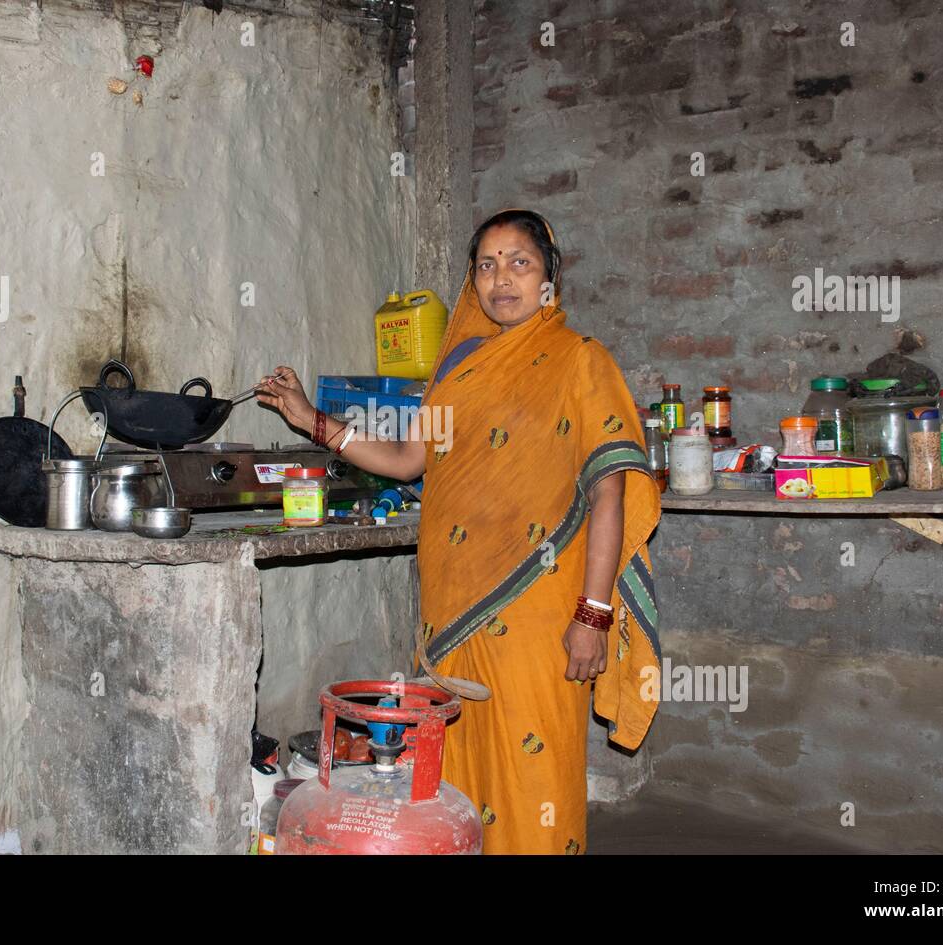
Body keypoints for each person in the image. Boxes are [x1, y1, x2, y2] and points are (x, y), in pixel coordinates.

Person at [255, 208, 662, 854]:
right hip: (448, 618)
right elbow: (404, 460)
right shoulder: (457, 372)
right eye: (487, 265)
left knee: (534, 783)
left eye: (520, 262)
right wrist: (314, 420)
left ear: (550, 277)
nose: (502, 279)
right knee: (450, 787)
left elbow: (608, 489)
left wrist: (594, 611)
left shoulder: (581, 362)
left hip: (536, 615)